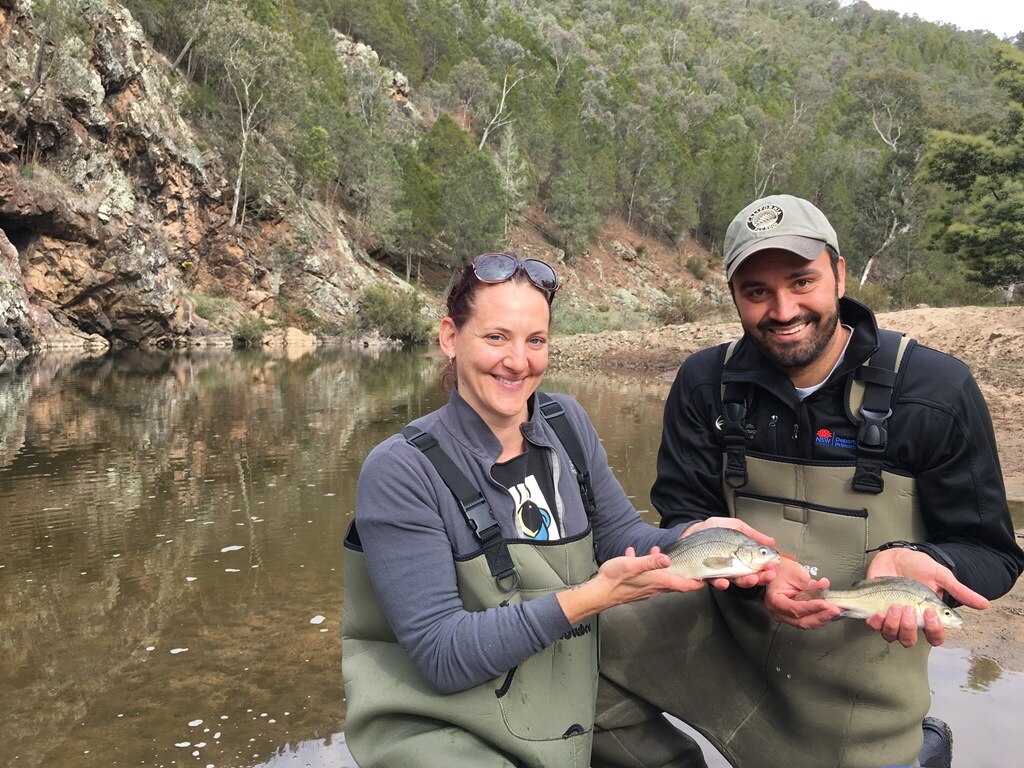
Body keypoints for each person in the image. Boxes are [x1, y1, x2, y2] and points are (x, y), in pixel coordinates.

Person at [594, 195, 1024, 768]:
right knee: (574, 645)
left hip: (858, 687)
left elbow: (992, 555)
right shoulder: (704, 385)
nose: (783, 309)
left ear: (839, 273)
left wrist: (921, 561)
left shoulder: (935, 391)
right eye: (756, 291)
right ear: (734, 296)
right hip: (728, 646)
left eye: (802, 281)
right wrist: (753, 576)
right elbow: (681, 519)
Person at [341, 252, 776, 768]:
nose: (519, 362)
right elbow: (442, 656)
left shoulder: (565, 421)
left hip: (560, 690)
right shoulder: (400, 470)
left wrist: (695, 540)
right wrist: (590, 597)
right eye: (496, 337)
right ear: (450, 338)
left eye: (536, 341)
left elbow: (620, 539)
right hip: (451, 724)